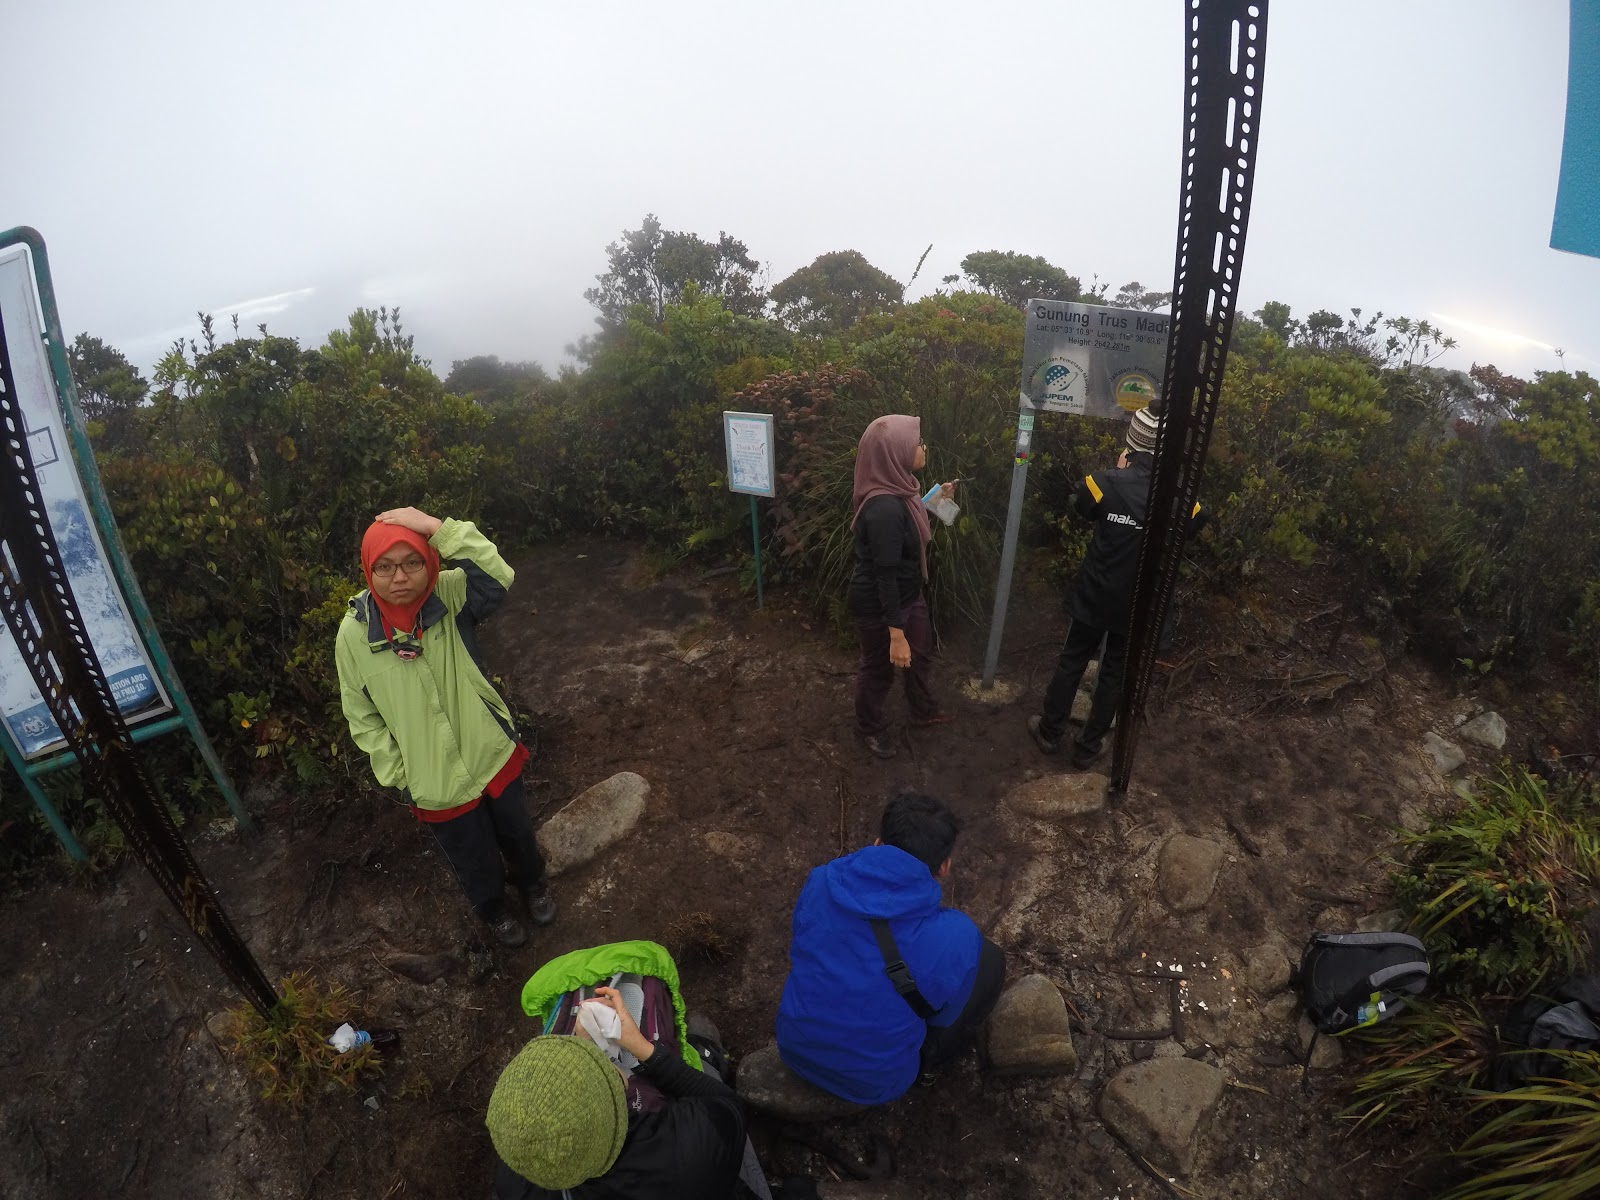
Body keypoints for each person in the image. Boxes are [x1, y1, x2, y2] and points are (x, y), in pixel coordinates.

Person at [335, 506, 556, 947]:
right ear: (367, 569)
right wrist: (402, 775)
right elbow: (362, 717)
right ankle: (494, 912)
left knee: (518, 831)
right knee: (471, 856)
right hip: (434, 780)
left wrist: (437, 528)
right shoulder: (353, 637)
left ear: (429, 561)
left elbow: (498, 576)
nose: (399, 576)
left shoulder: (450, 595)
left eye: (412, 562)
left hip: (489, 752)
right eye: (385, 566)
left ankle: (533, 885)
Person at [775, 790, 1007, 1106]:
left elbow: (800, 944)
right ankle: (926, 1070)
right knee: (991, 961)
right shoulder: (956, 934)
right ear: (944, 868)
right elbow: (940, 1018)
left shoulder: (821, 880)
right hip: (873, 1084)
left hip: (793, 1047)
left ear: (877, 843)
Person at [488, 940, 753, 1200]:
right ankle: (709, 1052)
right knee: (704, 1064)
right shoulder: (693, 1152)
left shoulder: (515, 1184)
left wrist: (581, 1047)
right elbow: (727, 1105)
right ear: (616, 1114)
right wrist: (645, 1050)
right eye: (610, 1072)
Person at [1027, 408, 1207, 768]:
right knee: (1114, 671)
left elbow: (1082, 506)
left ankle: (1050, 731)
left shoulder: (1104, 482)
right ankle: (1088, 747)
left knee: (1073, 658)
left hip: (1097, 592)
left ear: (1131, 443)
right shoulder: (1182, 499)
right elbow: (1197, 522)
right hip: (1139, 602)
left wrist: (1120, 476)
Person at [848, 414, 958, 760]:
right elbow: (885, 574)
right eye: (917, 442)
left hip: (908, 593)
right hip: (881, 603)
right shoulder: (883, 510)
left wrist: (933, 499)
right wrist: (896, 633)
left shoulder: (901, 487)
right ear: (894, 452)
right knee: (879, 669)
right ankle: (868, 727)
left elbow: (907, 521)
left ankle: (922, 710)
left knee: (921, 654)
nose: (923, 446)